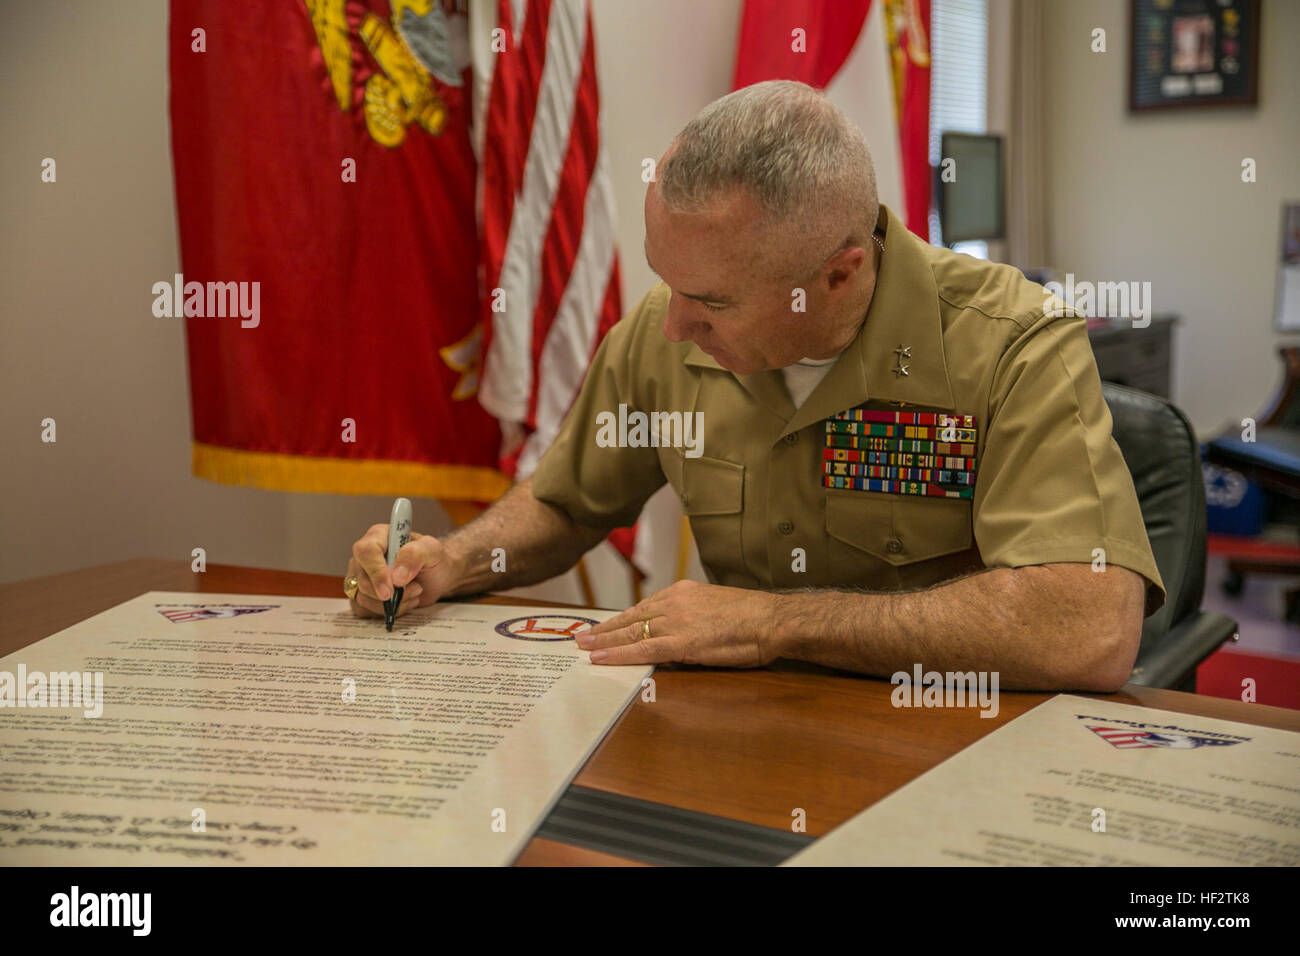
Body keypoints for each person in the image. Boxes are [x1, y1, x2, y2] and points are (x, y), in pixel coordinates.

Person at [343, 80, 1165, 692]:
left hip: (948, 736)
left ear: (840, 276)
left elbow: (1085, 626)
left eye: (712, 302)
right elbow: (567, 505)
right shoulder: (667, 330)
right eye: (670, 284)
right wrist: (449, 561)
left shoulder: (1013, 344)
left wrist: (775, 622)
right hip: (743, 739)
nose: (673, 327)